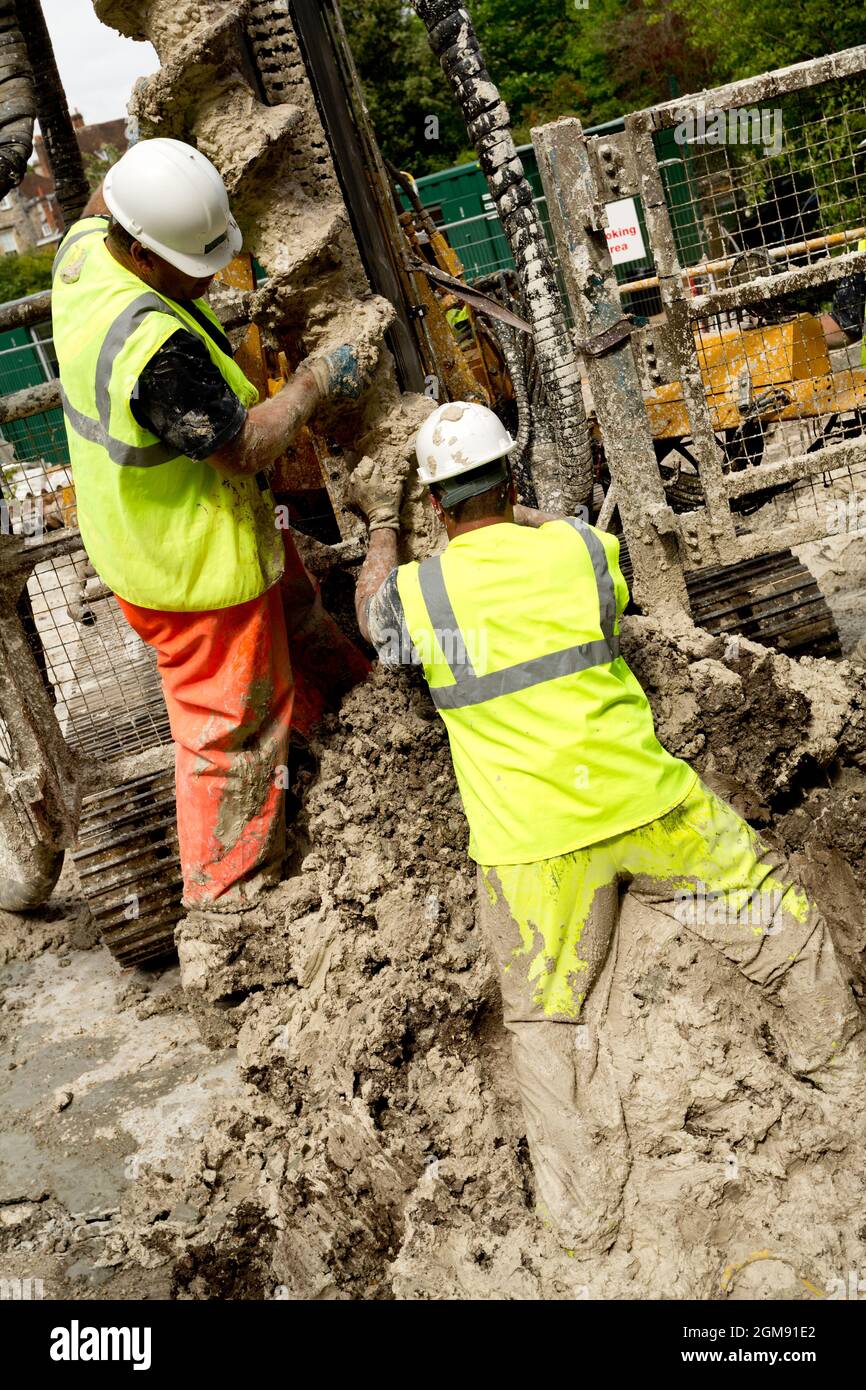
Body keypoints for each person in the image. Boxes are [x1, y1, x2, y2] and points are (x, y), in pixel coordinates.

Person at [349, 399, 865, 1251]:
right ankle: (844, 1076)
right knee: (780, 927)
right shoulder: (584, 552)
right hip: (648, 807)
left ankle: (583, 1229)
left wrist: (380, 526)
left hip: (533, 855)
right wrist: (520, 513)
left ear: (435, 508)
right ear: (510, 480)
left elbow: (376, 624)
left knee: (548, 1027)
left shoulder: (420, 592)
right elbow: (584, 559)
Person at [52, 137, 370, 921]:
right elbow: (245, 448)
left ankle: (349, 735)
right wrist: (312, 386)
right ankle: (230, 900)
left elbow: (112, 189)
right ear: (144, 255)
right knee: (228, 736)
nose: (212, 276)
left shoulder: (89, 242)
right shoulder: (153, 353)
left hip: (203, 532)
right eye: (197, 263)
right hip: (194, 571)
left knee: (301, 625)